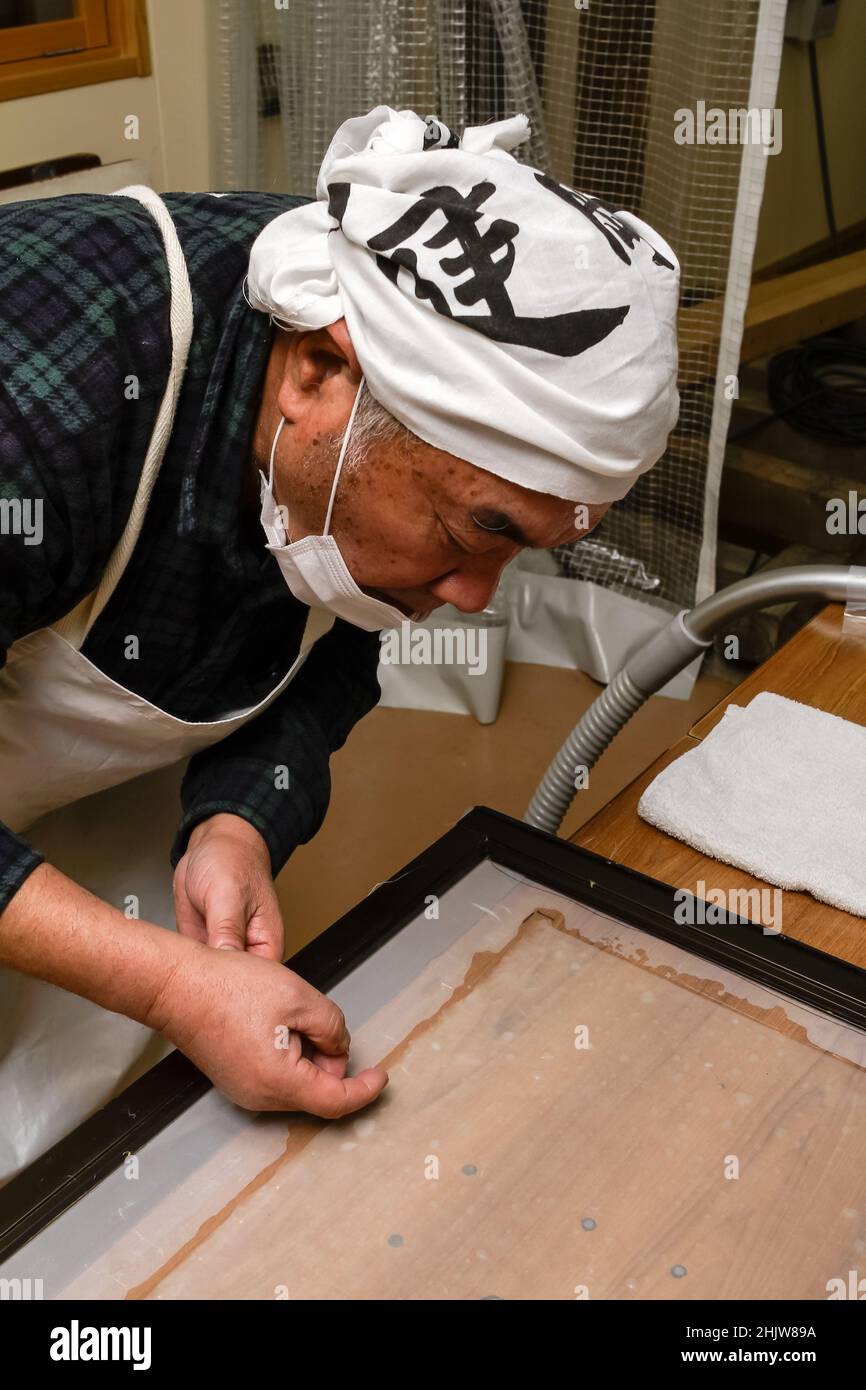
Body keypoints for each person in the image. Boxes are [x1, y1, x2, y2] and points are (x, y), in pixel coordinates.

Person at [0, 106, 679, 1181]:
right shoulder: (49, 384)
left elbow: (341, 628)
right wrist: (167, 984)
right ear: (322, 374)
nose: (467, 598)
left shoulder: (359, 407)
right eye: (476, 532)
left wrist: (237, 818)